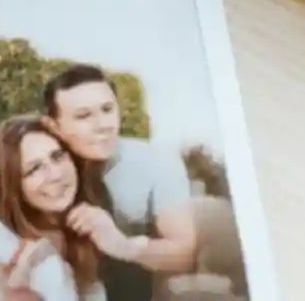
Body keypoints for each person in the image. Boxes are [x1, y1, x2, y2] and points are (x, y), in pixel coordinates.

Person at [40, 64, 198, 301]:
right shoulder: (37, 165)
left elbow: (184, 254)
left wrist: (123, 245)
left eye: (107, 109)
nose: (103, 125)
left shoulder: (156, 162)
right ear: (54, 127)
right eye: (83, 116)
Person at [0, 115, 108, 301]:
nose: (56, 175)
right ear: (11, 186)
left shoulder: (88, 232)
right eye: (34, 169)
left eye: (57, 156)